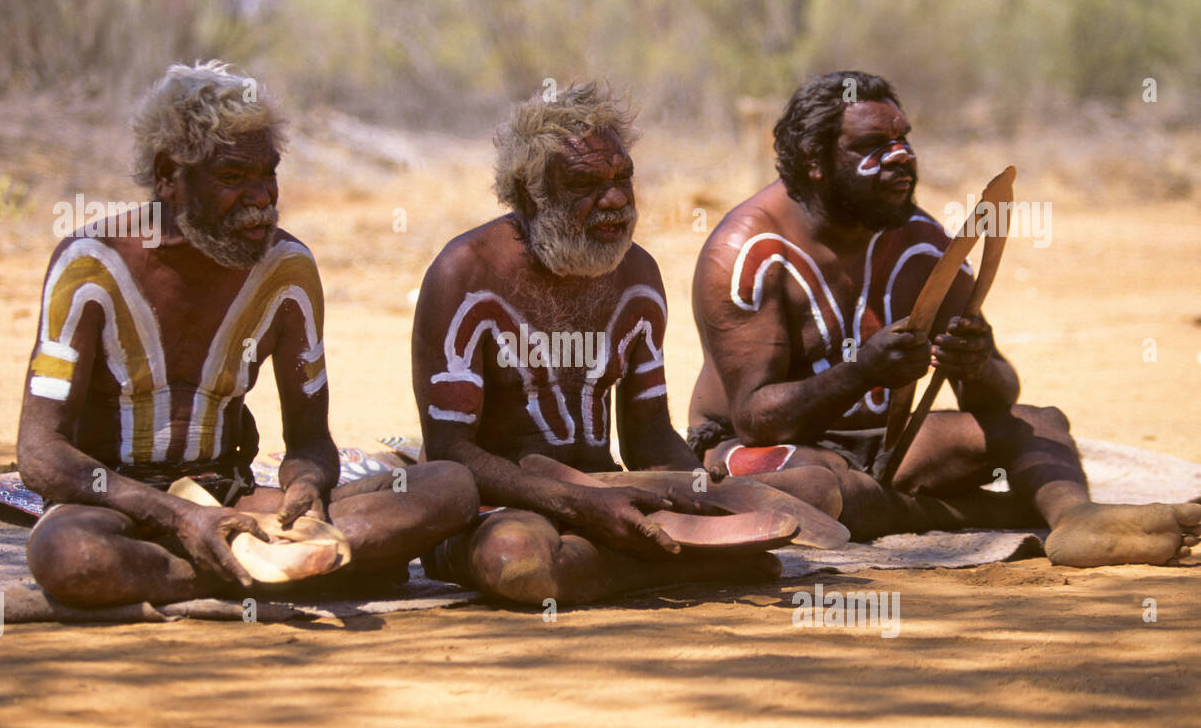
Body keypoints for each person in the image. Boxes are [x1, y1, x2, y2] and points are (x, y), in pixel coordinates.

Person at [688, 70, 1199, 565]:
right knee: (816, 491)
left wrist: (975, 362)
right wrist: (863, 371)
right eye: (871, 147)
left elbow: (997, 395)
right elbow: (756, 419)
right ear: (813, 161)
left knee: (1037, 426)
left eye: (903, 140)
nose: (901, 158)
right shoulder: (748, 253)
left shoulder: (923, 243)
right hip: (770, 451)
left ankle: (1077, 519)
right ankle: (1001, 510)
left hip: (890, 442)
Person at [18, 60, 477, 607]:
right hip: (118, 503)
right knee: (69, 554)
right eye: (234, 178)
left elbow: (309, 440)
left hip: (237, 497)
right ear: (169, 175)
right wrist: (180, 516)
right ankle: (288, 568)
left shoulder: (287, 270)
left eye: (269, 175)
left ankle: (219, 568)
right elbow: (41, 452)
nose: (261, 198)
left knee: (448, 486)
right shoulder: (90, 266)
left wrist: (306, 488)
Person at [412, 82, 841, 605]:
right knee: (519, 563)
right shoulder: (465, 274)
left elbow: (649, 435)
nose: (614, 198)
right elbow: (451, 453)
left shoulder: (636, 275)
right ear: (532, 194)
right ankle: (692, 566)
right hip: (503, 504)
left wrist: (698, 491)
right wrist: (577, 505)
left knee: (818, 492)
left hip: (614, 490)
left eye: (623, 178)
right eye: (585, 182)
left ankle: (655, 554)